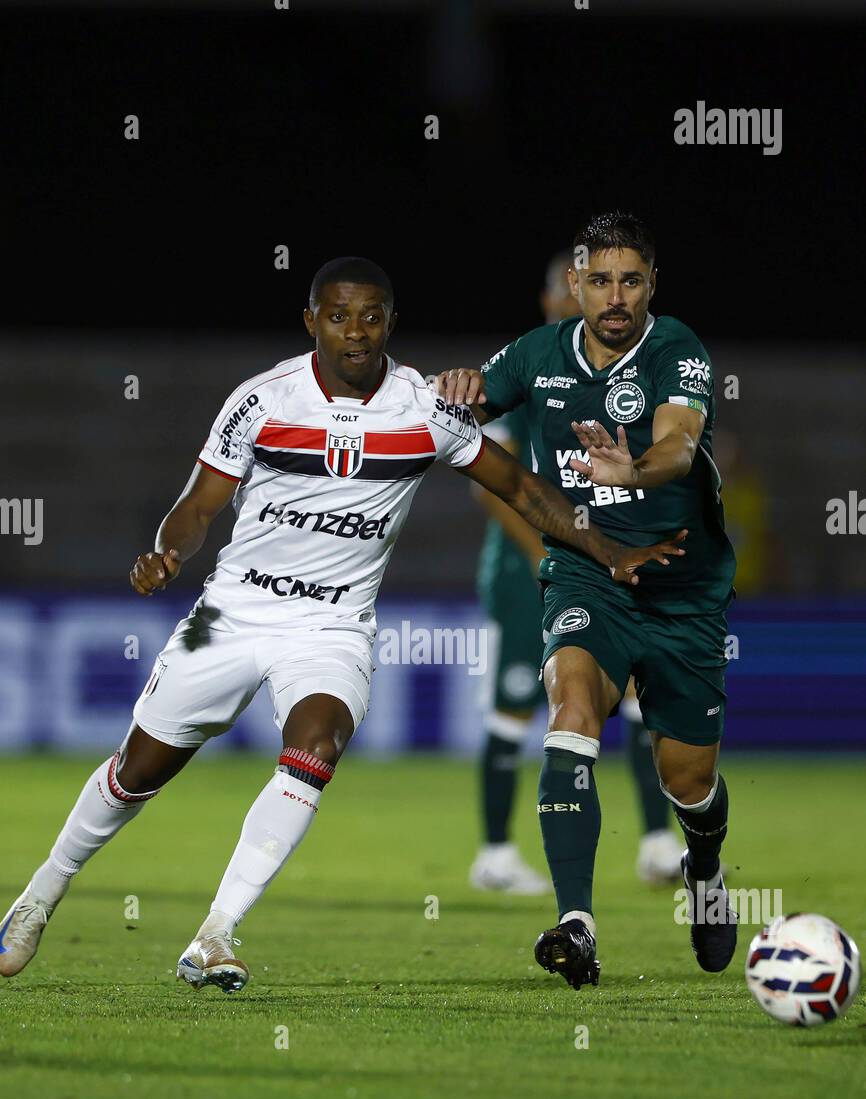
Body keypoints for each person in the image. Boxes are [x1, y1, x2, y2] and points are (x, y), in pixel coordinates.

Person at [0, 255, 683, 992]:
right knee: (137, 772)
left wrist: (609, 550)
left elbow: (519, 486)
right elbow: (199, 506)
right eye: (337, 316)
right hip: (233, 613)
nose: (354, 332)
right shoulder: (262, 401)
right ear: (311, 322)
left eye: (370, 317)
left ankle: (215, 935)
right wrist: (167, 554)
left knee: (316, 745)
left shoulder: (424, 410)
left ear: (390, 322)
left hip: (332, 628)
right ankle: (41, 893)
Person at [437, 213, 737, 989]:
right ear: (576, 283)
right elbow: (463, 409)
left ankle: (704, 863)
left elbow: (676, 442)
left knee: (688, 782)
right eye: (599, 280)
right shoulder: (538, 356)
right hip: (584, 576)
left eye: (630, 280)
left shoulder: (676, 348)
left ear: (651, 286)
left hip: (681, 591)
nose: (614, 296)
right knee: (571, 712)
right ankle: (578, 923)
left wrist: (632, 472)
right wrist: (461, 388)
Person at [469, 251, 683, 895]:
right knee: (518, 706)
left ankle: (655, 842)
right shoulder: (529, 368)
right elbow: (492, 481)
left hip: (605, 563)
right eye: (584, 288)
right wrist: (541, 554)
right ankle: (497, 854)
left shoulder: (624, 374)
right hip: (523, 574)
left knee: (640, 695)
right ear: (556, 297)